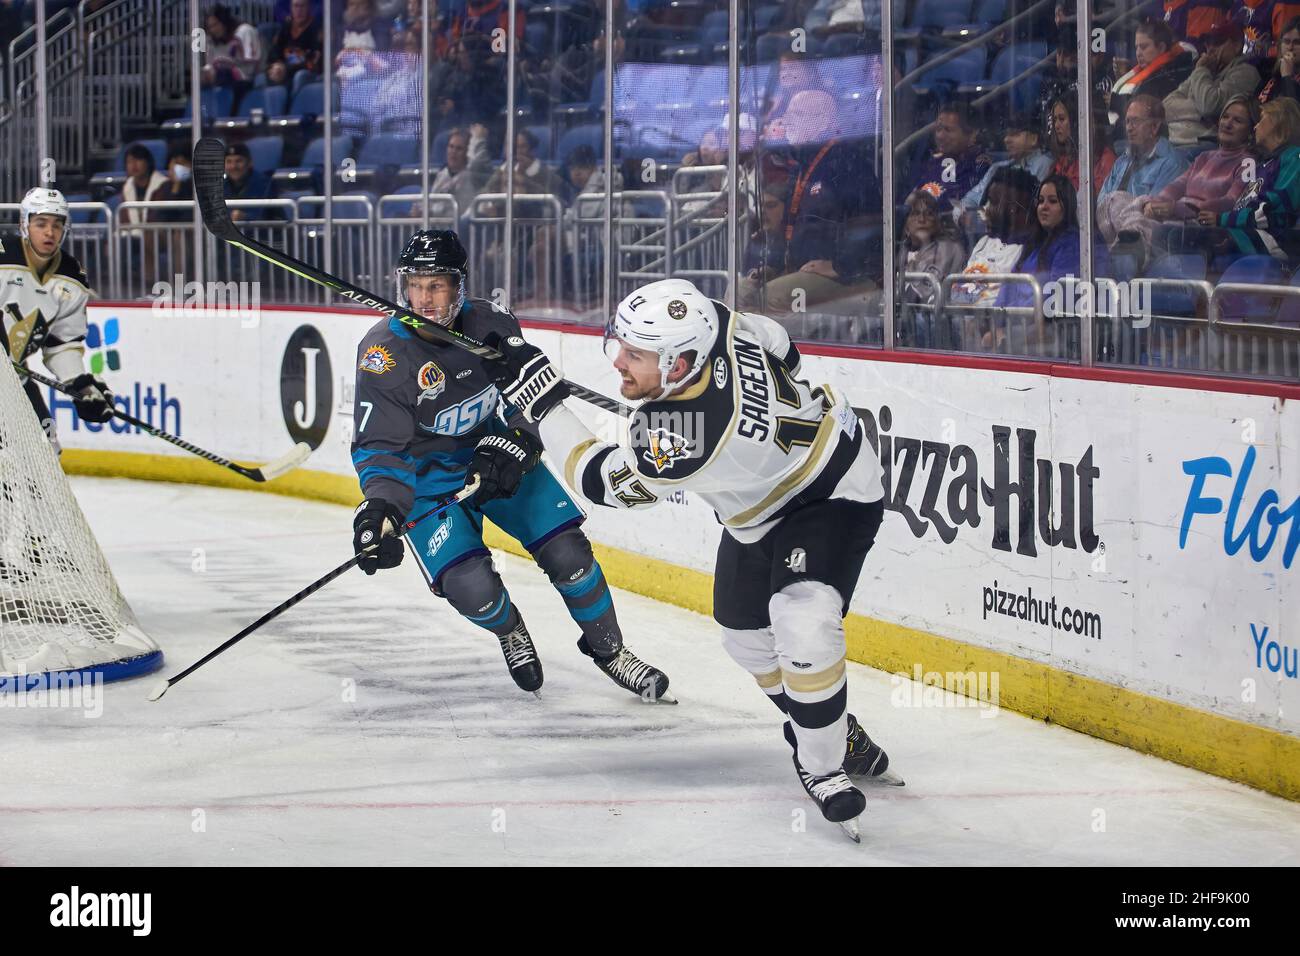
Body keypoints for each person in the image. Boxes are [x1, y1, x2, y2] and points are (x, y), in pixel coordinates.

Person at [482, 278, 896, 841]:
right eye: (619, 344)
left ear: (679, 365)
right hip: (759, 507)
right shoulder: (714, 321)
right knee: (744, 638)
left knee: (804, 621)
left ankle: (821, 765)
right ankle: (829, 725)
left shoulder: (682, 436)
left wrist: (544, 407)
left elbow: (600, 480)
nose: (618, 363)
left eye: (636, 355)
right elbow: (778, 344)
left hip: (834, 491)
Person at [349, 230, 671, 700]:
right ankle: (509, 629)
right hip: (428, 483)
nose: (424, 298)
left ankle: (610, 651)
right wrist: (381, 508)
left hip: (496, 453)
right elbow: (380, 446)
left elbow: (526, 393)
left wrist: (520, 438)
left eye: (436, 285)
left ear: (459, 286)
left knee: (569, 555)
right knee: (471, 590)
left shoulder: (491, 324)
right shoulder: (384, 355)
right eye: (415, 285)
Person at [0, 188, 115, 453]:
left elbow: (61, 344)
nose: (49, 232)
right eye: (41, 223)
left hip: (12, 378)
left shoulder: (72, 276)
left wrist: (81, 385)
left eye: (57, 224)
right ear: (24, 224)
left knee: (45, 448)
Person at [1163, 19, 1262, 146]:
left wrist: (1202, 70)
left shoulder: (1245, 72)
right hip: (1176, 141)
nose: (1210, 49)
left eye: (1217, 43)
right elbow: (1166, 107)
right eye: (1207, 43)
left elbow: (1209, 106)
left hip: (1207, 145)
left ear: (1237, 45)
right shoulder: (1206, 71)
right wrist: (1200, 113)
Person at [1108, 19, 1197, 138]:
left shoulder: (1171, 74)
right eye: (1137, 47)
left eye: (1143, 47)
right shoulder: (1147, 73)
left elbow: (1143, 108)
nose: (1138, 53)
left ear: (1161, 47)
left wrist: (1115, 100)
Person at [201, 4, 262, 90]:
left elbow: (251, 69)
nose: (213, 30)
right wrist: (207, 73)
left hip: (247, 83)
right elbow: (210, 65)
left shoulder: (244, 32)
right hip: (223, 84)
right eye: (210, 27)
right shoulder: (211, 40)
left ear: (224, 21)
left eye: (216, 24)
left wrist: (229, 73)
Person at [266, 0, 324, 88]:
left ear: (309, 8)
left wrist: (286, 69)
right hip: (282, 70)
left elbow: (314, 63)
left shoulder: (317, 29)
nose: (299, 10)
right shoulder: (287, 26)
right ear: (291, 8)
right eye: (296, 6)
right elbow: (274, 51)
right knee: (262, 77)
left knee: (299, 77)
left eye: (302, 6)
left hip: (305, 73)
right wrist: (277, 65)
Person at [222, 142, 274, 221]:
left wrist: (245, 217)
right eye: (229, 162)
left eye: (238, 161)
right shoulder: (219, 186)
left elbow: (267, 216)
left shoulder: (265, 183)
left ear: (249, 163)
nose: (233, 166)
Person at [1257, 15, 1300, 102]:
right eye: (1286, 41)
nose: (1290, 47)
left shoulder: (1285, 74)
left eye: (1297, 42)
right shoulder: (1269, 71)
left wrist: (1287, 77)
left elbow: (1292, 111)